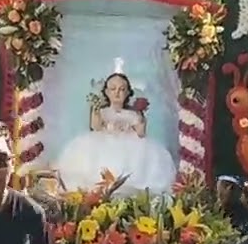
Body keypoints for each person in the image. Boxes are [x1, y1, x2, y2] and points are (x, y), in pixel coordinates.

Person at [56, 65, 177, 195]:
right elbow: (95, 127)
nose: (117, 93)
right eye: (113, 89)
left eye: (122, 89)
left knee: (141, 161)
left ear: (128, 93)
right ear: (107, 92)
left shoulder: (133, 114)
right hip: (103, 142)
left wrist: (141, 117)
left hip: (130, 146)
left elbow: (141, 133)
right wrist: (96, 111)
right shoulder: (102, 111)